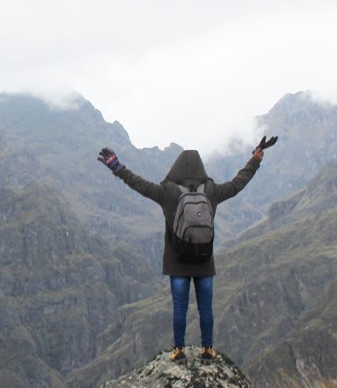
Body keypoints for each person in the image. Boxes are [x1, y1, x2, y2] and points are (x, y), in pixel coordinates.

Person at [97, 137, 276, 362]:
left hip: (177, 262)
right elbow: (238, 183)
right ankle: (208, 349)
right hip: (204, 261)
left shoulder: (167, 192)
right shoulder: (211, 191)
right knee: (205, 307)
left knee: (180, 307)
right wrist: (255, 160)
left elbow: (138, 184)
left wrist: (117, 167)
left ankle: (179, 351)